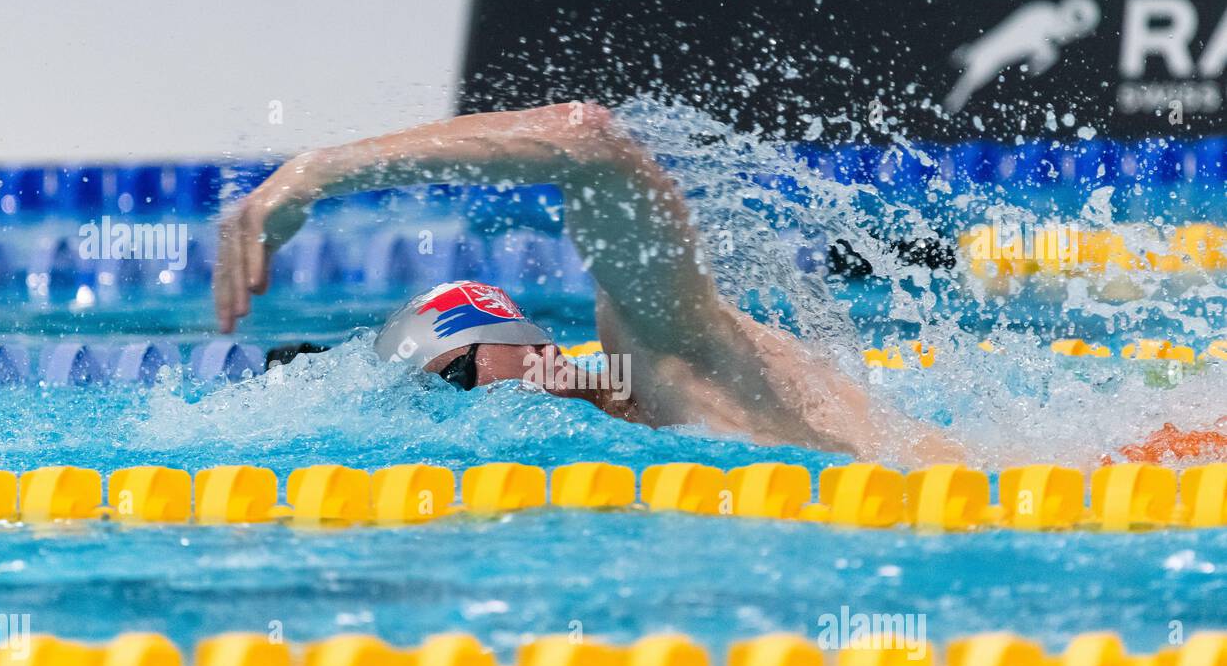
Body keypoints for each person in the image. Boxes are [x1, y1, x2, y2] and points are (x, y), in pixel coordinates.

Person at [217, 102, 965, 466]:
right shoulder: (621, 406)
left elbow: (589, 138)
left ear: (508, 339)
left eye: (459, 378)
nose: (469, 410)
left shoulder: (651, 352)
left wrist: (318, 175)